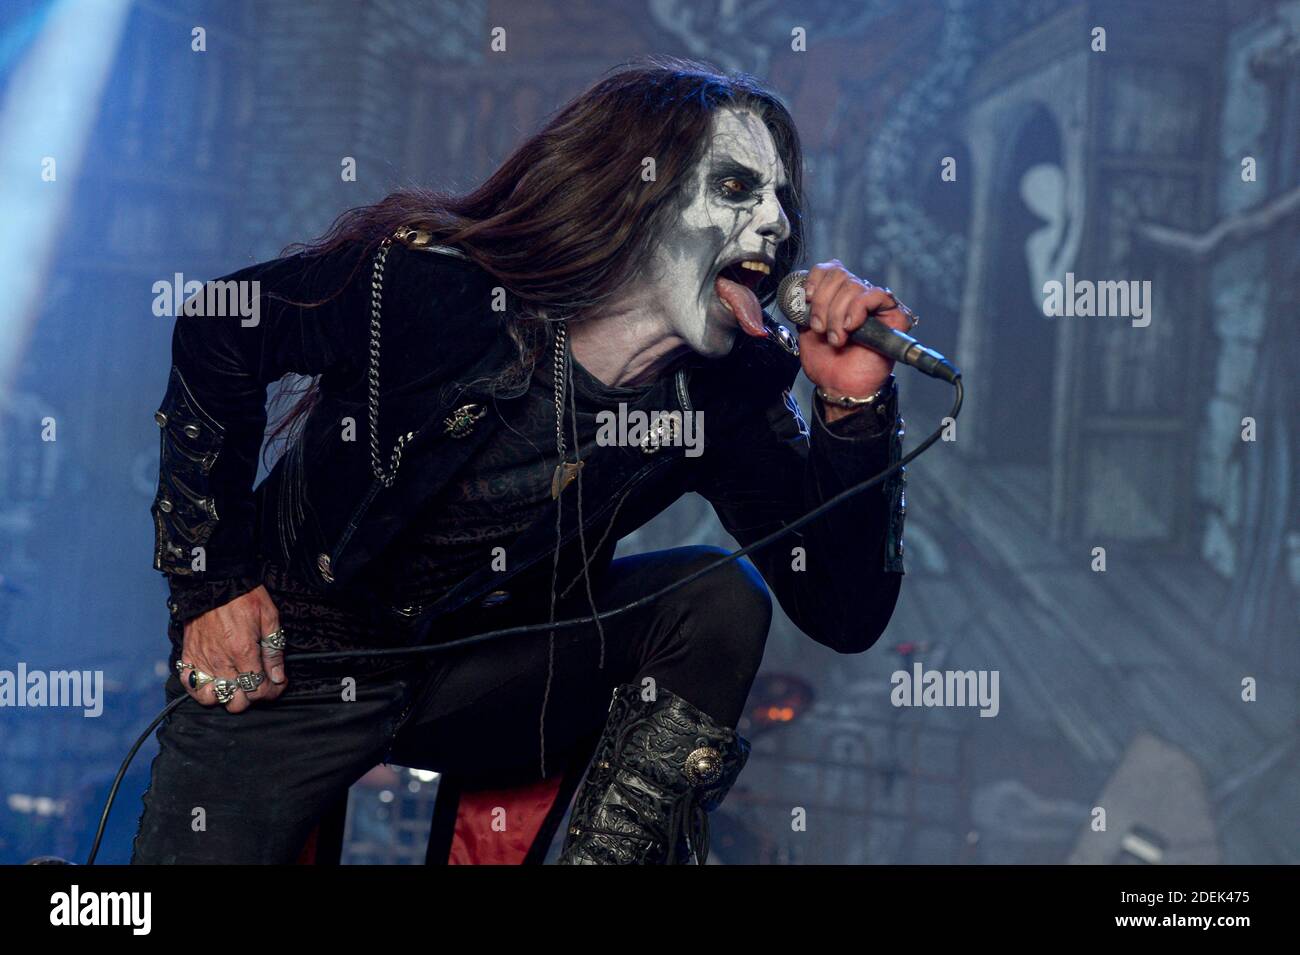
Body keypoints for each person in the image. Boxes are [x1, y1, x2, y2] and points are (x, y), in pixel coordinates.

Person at [132, 58, 911, 865]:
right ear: (633, 194)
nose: (777, 223)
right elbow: (219, 326)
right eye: (738, 188)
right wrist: (213, 585)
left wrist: (851, 409)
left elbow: (842, 610)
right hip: (303, 660)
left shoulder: (721, 395)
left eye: (782, 197)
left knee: (717, 597)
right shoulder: (429, 287)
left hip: (495, 677)